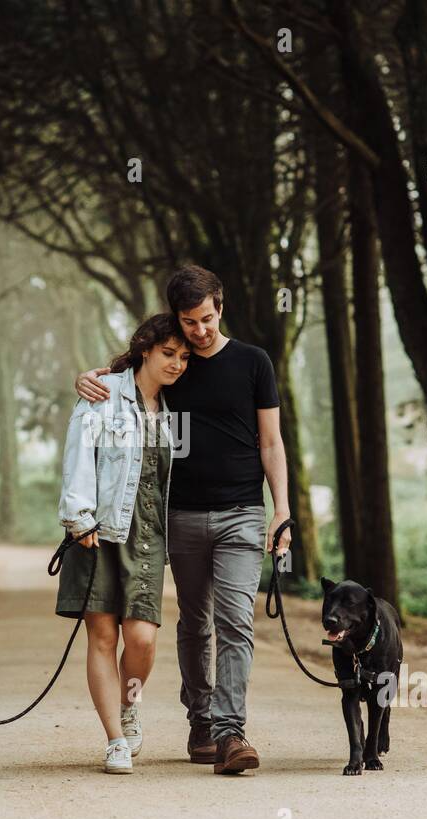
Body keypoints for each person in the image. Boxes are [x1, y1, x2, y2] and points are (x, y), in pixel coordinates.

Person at [75, 265, 292, 775]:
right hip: (180, 516)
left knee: (235, 620)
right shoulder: (176, 364)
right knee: (194, 624)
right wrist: (87, 377)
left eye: (207, 319)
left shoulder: (254, 362)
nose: (199, 331)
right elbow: (125, 382)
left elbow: (271, 441)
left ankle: (229, 730)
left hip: (243, 511)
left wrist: (281, 509)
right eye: (189, 322)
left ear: (222, 306)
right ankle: (200, 721)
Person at [56, 313, 190, 774]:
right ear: (145, 351)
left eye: (184, 357)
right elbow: (78, 453)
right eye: (168, 354)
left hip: (149, 537)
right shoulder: (104, 394)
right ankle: (115, 738)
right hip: (98, 530)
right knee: (103, 635)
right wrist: (78, 518)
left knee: (142, 638)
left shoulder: (179, 405)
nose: (176, 364)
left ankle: (130, 702)